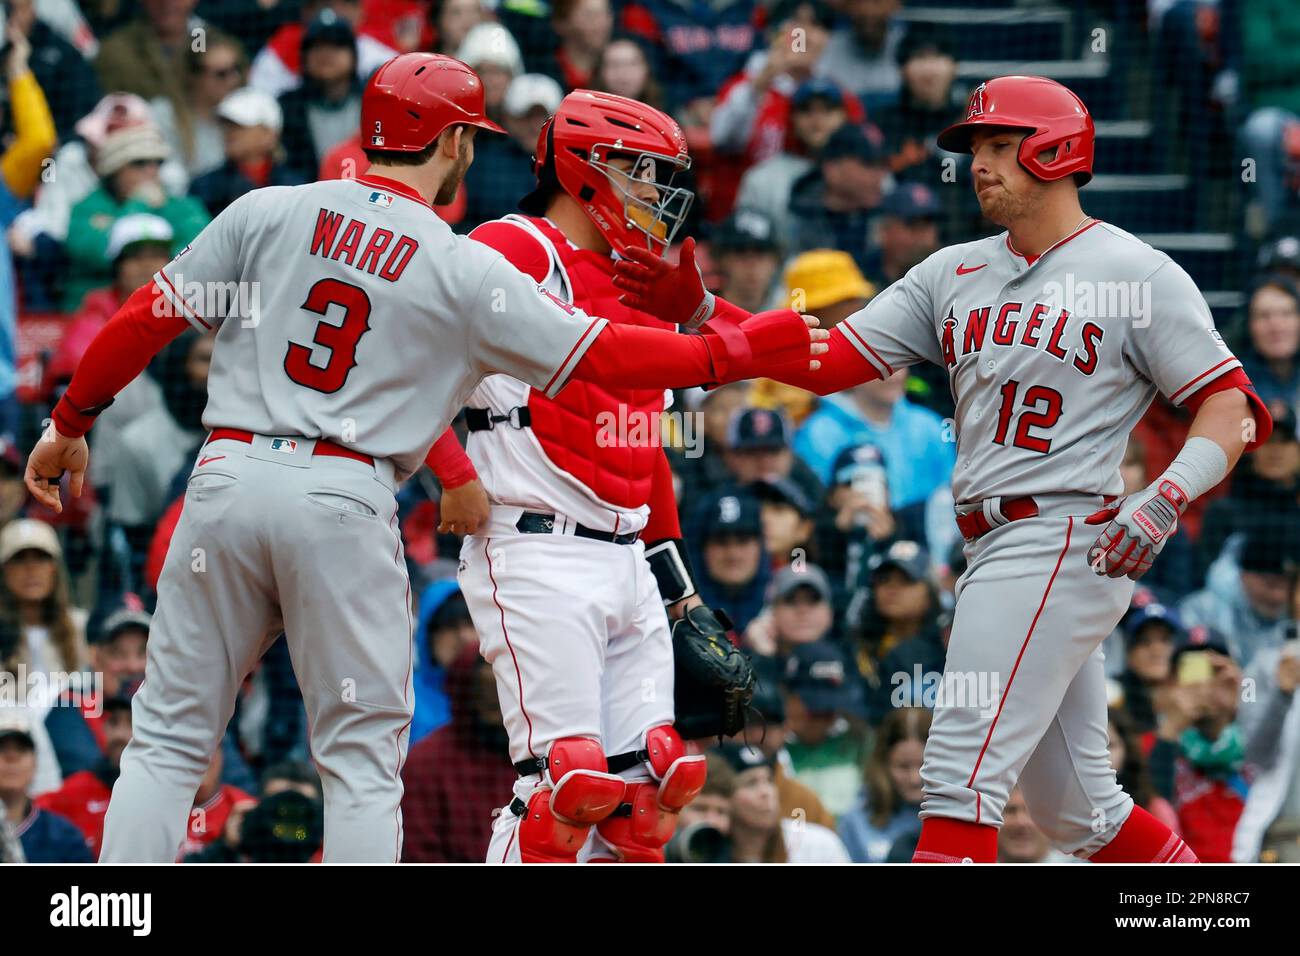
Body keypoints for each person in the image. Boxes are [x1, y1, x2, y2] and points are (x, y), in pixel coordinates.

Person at [25, 53, 820, 864]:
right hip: (347, 492)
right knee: (362, 761)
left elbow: (141, 319)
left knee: (166, 738)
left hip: (226, 475)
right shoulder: (458, 261)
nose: (470, 153)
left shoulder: (266, 208)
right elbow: (606, 359)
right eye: (467, 138)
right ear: (453, 143)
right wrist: (739, 347)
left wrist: (68, 422)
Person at [614, 74, 1274, 863]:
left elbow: (1232, 406)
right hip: (994, 546)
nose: (978, 163)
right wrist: (701, 311)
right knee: (1080, 813)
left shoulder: (1137, 273)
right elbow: (826, 360)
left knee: (957, 779)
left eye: (998, 144)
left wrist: (1167, 496)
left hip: (1059, 535)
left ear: (1056, 150)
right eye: (975, 148)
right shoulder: (951, 271)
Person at [427, 90, 786, 863]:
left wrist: (679, 583)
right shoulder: (515, 245)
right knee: (567, 790)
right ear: (589, 169)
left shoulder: (643, 276)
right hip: (534, 545)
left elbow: (642, 446)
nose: (657, 193)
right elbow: (407, 367)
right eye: (643, 172)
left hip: (628, 556)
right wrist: (452, 471)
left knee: (653, 795)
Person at [63, 122, 209, 312]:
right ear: (114, 170)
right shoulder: (87, 208)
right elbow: (101, 252)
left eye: (157, 163)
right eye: (139, 163)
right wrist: (138, 205)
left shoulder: (182, 207)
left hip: (170, 308)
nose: (151, 171)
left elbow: (201, 252)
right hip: (97, 314)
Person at [400, 647, 515, 862]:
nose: (495, 711)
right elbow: (420, 854)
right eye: (484, 700)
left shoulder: (534, 758)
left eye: (500, 699)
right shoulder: (427, 763)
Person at [711, 742, 851, 863]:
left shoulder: (817, 845)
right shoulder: (705, 850)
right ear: (723, 798)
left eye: (769, 780)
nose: (766, 792)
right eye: (751, 784)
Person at [189, 87, 304, 218]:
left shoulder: (296, 187)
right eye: (227, 126)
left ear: (269, 134)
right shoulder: (204, 187)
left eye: (239, 126)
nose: (230, 133)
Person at [838, 706, 928, 862]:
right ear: (883, 764)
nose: (914, 779)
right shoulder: (856, 822)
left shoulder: (959, 817)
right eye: (903, 766)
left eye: (924, 765)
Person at [0, 519, 87, 675]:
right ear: (4, 571)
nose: (31, 568)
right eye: (19, 558)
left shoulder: (81, 627)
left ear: (55, 569)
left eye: (41, 557)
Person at [0, 716, 91, 863]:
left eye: (21, 749)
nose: (12, 757)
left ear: (35, 763)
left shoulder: (63, 836)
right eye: (2, 748)